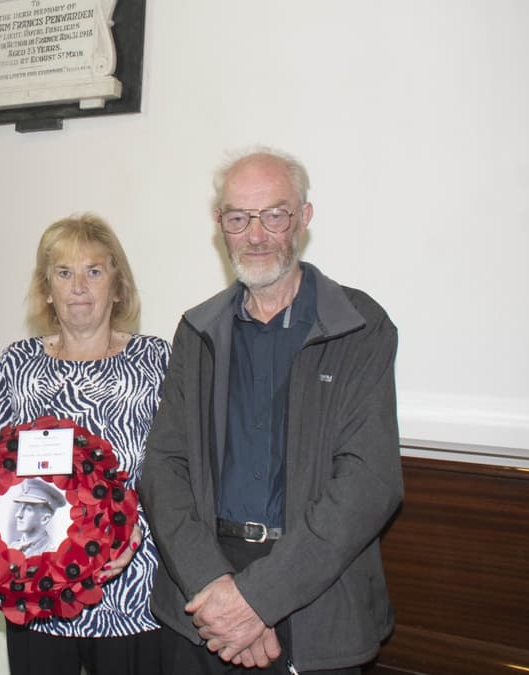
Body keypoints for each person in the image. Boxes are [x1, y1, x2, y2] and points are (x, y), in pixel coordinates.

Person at [140, 148, 402, 674]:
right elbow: (163, 470)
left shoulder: (359, 325)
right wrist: (215, 588)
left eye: (274, 215)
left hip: (316, 598)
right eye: (238, 218)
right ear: (221, 226)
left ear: (303, 218)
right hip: (202, 603)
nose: (255, 235)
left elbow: (369, 483)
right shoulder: (197, 331)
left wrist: (258, 599)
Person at [0, 213, 170, 675]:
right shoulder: (17, 365)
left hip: (132, 587)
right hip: (39, 593)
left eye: (94, 271)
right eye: (64, 273)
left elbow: (178, 472)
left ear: (118, 285)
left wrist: (137, 531)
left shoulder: (156, 361)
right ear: (46, 289)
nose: (79, 287)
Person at [9, 478, 64, 556]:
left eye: (28, 509)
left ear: (45, 519)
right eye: (21, 507)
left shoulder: (50, 552)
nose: (18, 514)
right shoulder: (12, 548)